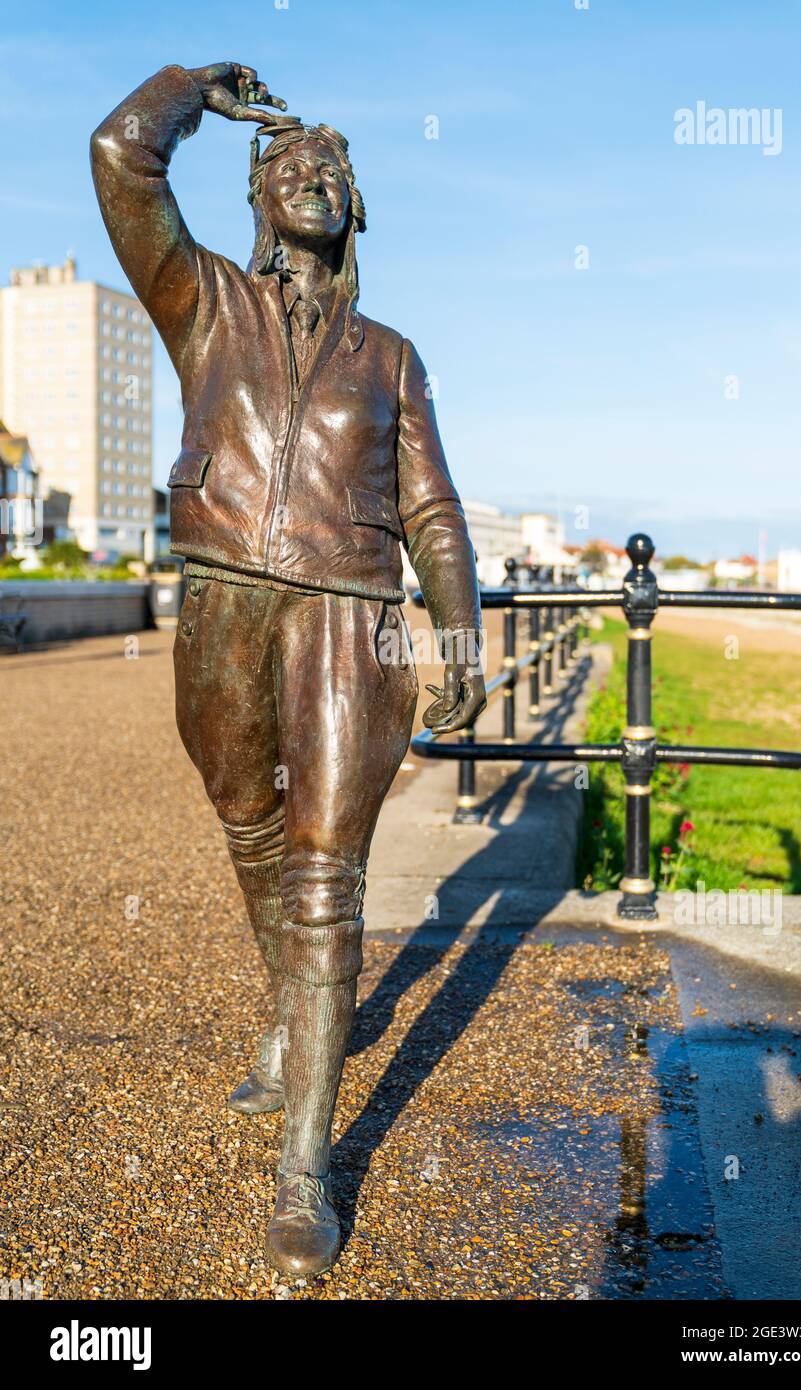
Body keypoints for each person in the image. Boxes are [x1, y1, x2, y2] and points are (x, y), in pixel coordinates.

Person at [91, 62, 485, 1276]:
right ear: (259, 197)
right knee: (244, 816)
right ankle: (293, 1018)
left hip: (350, 622)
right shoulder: (201, 300)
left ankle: (305, 1160)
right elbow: (120, 155)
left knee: (323, 874)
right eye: (292, 165)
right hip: (221, 605)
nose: (314, 176)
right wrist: (191, 90)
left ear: (354, 209)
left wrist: (455, 630)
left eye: (334, 170)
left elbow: (430, 505)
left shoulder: (392, 356)